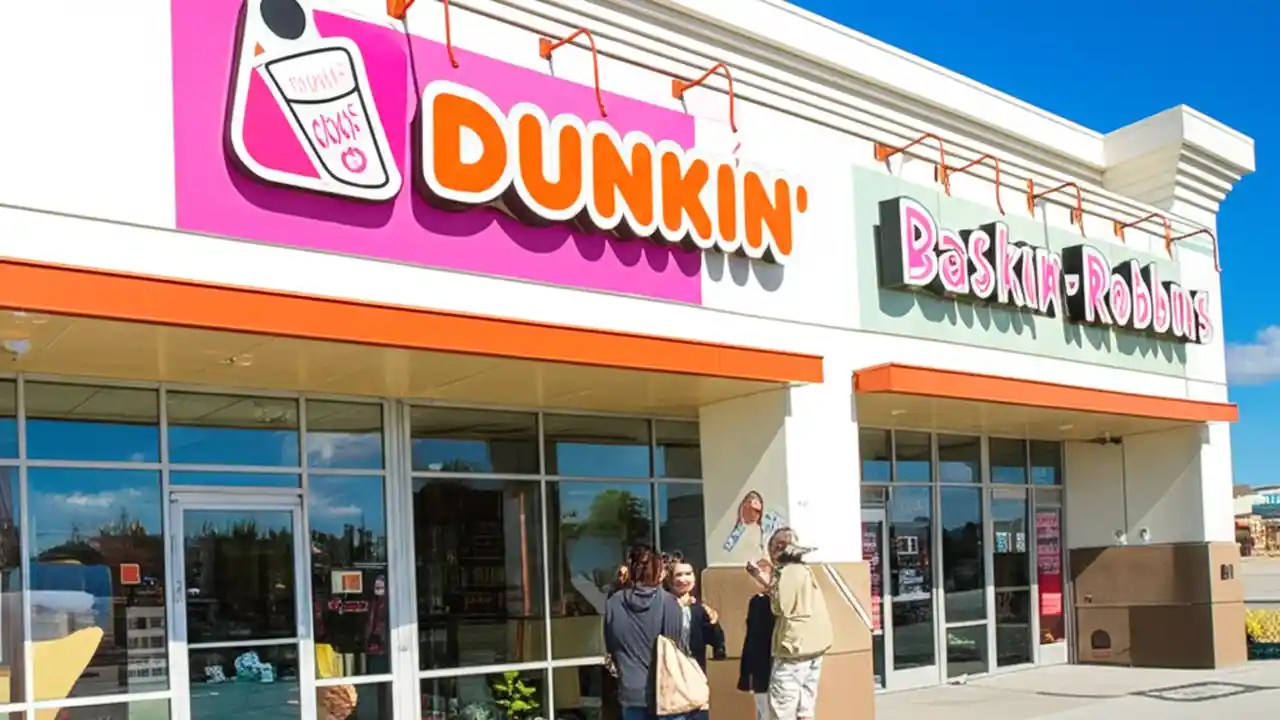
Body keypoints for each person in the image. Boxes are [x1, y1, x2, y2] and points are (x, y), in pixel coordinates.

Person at [604, 545, 688, 720]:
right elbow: (676, 647)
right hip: (666, 693)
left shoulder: (614, 603)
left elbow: (611, 645)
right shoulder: (669, 603)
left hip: (631, 692)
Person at [763, 528, 832, 720]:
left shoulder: (788, 573)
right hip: (815, 644)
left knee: (782, 707)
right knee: (806, 706)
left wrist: (771, 585)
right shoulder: (805, 571)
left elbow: (780, 607)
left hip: (794, 648)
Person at [662, 551, 726, 720]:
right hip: (670, 682)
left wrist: (714, 623)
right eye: (678, 575)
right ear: (669, 579)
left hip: (694, 678)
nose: (684, 579)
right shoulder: (662, 609)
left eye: (688, 574)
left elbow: (718, 646)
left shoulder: (699, 609)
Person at [739, 558, 776, 720]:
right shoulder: (758, 602)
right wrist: (747, 674)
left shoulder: (788, 600)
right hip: (761, 669)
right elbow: (752, 640)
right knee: (764, 712)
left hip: (783, 666)